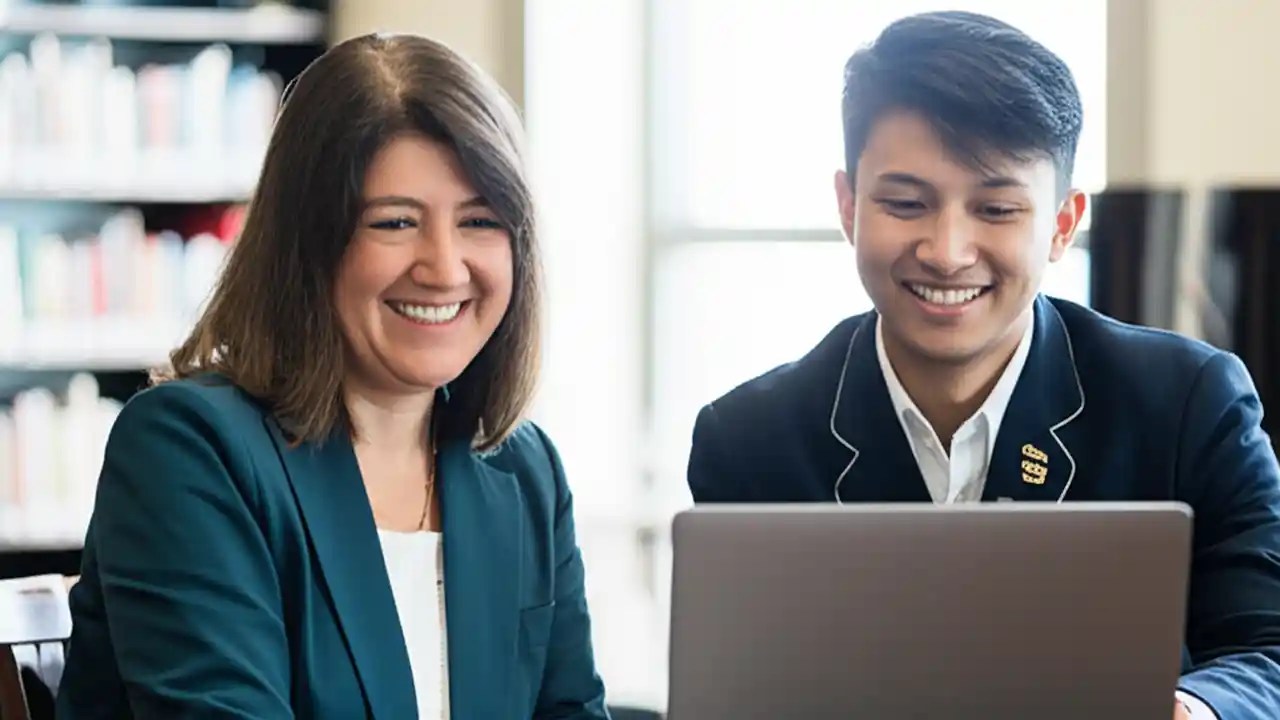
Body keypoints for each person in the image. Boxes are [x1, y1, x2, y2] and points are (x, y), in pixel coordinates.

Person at [685, 11, 1280, 720]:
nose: (947, 250)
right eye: (906, 204)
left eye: (996, 209)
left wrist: (1193, 712)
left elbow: (1265, 648)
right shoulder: (749, 439)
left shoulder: (1188, 403)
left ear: (1062, 224)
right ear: (848, 207)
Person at [57, 33, 609, 719]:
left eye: (480, 221)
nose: (443, 266)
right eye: (396, 222)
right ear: (309, 244)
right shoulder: (190, 450)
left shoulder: (523, 471)